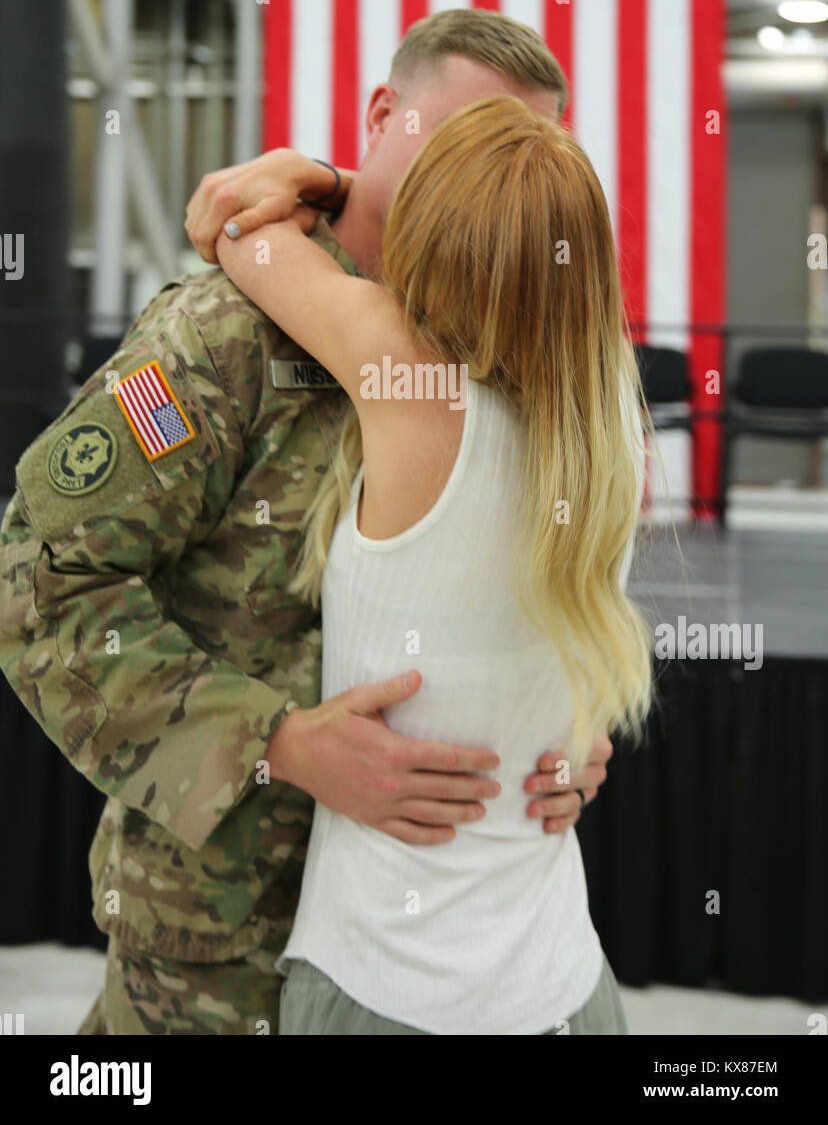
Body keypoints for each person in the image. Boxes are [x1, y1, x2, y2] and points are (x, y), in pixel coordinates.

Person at [0, 9, 615, 1036]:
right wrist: (274, 741)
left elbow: (539, 579)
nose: (484, 185)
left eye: (515, 157)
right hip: (225, 940)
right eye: (461, 142)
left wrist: (561, 723)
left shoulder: (507, 350)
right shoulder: (224, 334)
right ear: (385, 114)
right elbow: (38, 586)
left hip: (428, 949)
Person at [213, 93, 652, 1035]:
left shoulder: (404, 371)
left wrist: (325, 177)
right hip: (570, 990)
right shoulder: (610, 403)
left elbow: (231, 219)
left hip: (386, 991)